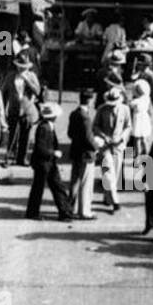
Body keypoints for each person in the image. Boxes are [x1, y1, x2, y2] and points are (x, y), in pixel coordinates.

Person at [26, 103, 74, 221]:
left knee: (47, 187)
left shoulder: (46, 126)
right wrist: (53, 153)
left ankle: (64, 211)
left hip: (46, 162)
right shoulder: (45, 128)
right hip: (44, 162)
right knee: (50, 187)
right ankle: (64, 212)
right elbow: (40, 148)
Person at [94, 86, 132, 213]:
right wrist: (104, 136)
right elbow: (95, 126)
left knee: (114, 174)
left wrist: (121, 138)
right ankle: (115, 202)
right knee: (108, 172)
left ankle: (107, 197)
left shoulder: (125, 109)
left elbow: (128, 126)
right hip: (105, 146)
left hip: (118, 146)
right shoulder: (101, 109)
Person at [3, 54, 41, 167]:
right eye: (20, 66)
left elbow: (37, 91)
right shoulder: (10, 76)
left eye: (24, 67)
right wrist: (3, 108)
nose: (21, 69)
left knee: (26, 135)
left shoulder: (32, 76)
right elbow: (4, 92)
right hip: (14, 109)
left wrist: (28, 81)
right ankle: (9, 158)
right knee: (12, 135)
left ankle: (22, 158)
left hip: (27, 110)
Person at [68, 90, 99, 220]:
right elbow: (88, 137)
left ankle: (71, 207)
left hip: (75, 151)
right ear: (90, 101)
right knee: (85, 183)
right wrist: (96, 147)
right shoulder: (85, 117)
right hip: (86, 154)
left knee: (74, 181)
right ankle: (84, 211)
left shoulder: (74, 114)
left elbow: (70, 133)